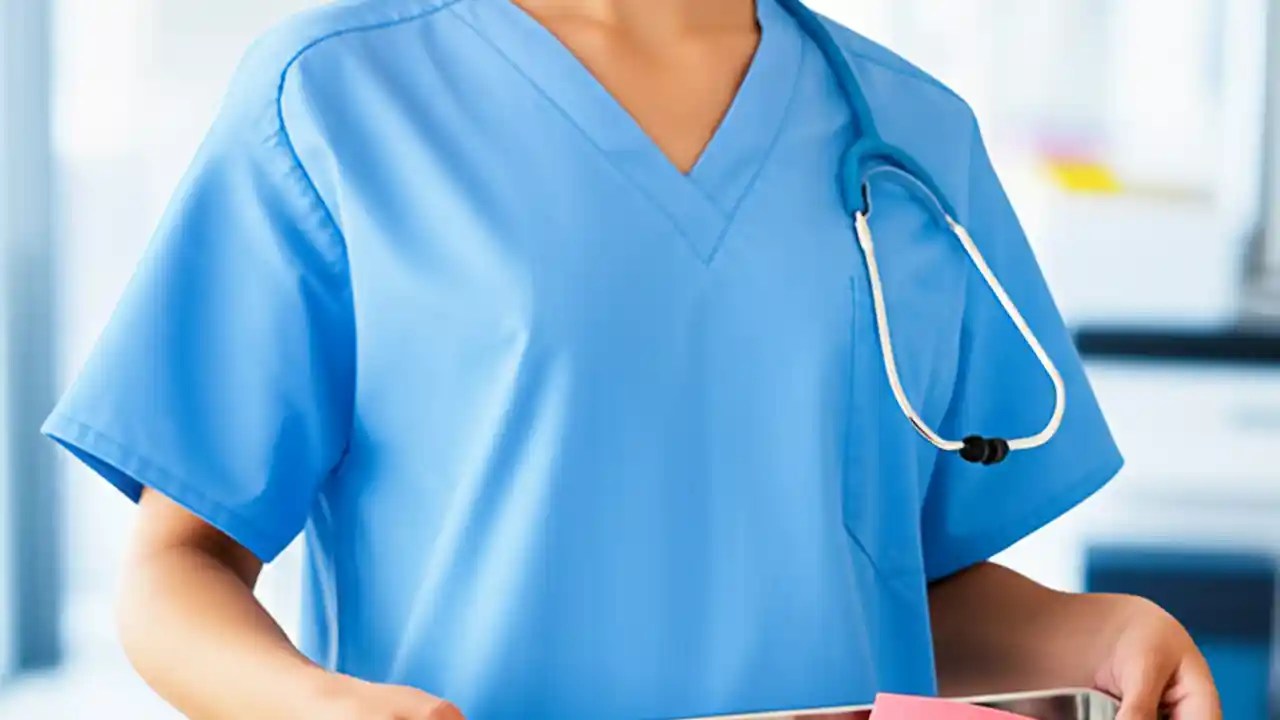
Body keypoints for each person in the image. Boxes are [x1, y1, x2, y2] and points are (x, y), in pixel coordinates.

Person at [42, 0, 1221, 718]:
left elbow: (893, 586)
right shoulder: (335, 96)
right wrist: (315, 709)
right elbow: (178, 567)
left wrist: (1099, 638)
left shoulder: (912, 135)